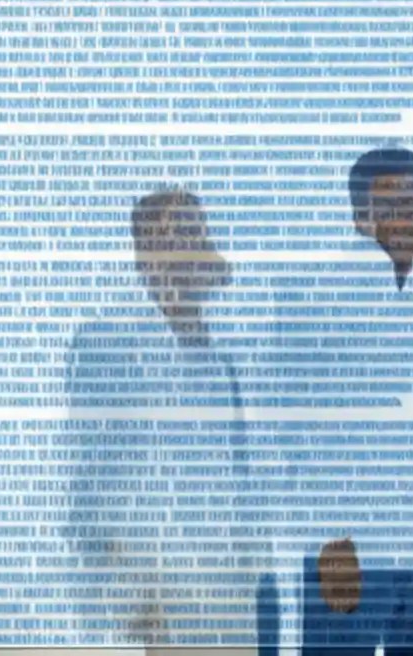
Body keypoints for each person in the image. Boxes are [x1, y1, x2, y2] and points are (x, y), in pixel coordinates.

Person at [295, 146, 413, 656]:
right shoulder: (323, 299)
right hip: (357, 551)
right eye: (392, 203)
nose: (410, 216)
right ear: (359, 216)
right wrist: (331, 539)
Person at [65, 188, 243, 646]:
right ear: (145, 256)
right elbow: (90, 480)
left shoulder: (221, 358)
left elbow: (237, 478)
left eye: (199, 233)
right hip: (153, 596)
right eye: (180, 235)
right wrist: (125, 597)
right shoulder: (107, 344)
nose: (196, 246)